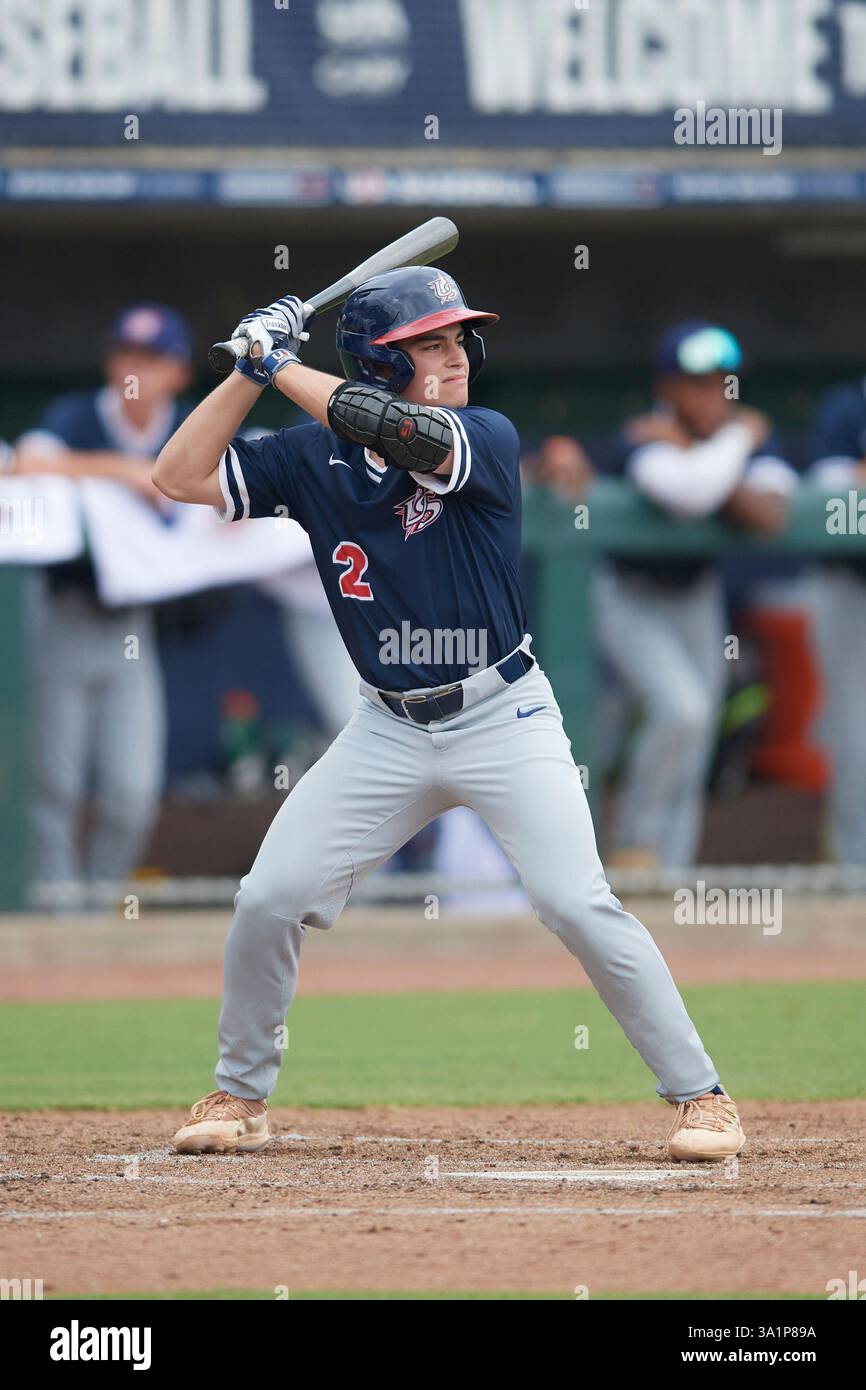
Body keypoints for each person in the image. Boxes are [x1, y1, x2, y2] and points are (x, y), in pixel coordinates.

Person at [154, 272, 745, 1162]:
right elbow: (177, 474)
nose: (456, 355)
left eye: (458, 339)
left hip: (503, 711)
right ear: (380, 361)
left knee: (575, 902)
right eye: (430, 344)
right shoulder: (311, 458)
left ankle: (703, 1097)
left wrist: (277, 362)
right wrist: (244, 370)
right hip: (387, 727)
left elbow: (394, 430)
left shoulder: (482, 435)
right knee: (269, 896)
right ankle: (239, 1094)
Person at [594, 320, 796, 869]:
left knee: (699, 724)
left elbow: (770, 514)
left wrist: (709, 452)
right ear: (668, 388)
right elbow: (687, 493)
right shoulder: (642, 434)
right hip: (627, 594)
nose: (715, 396)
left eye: (723, 383)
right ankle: (635, 847)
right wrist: (735, 442)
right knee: (676, 710)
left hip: (694, 595)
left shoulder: (728, 440)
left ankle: (670, 866)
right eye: (698, 383)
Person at [14, 304, 193, 901]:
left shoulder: (191, 425)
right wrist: (127, 471)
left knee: (131, 792)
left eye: (150, 359)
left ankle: (97, 905)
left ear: (178, 372)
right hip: (63, 614)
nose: (133, 369)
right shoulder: (76, 417)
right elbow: (25, 463)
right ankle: (59, 916)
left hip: (132, 626)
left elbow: (231, 476)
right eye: (125, 355)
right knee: (56, 783)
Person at [806, 377, 866, 863]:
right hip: (850, 587)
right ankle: (856, 870)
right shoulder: (849, 407)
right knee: (855, 734)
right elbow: (829, 489)